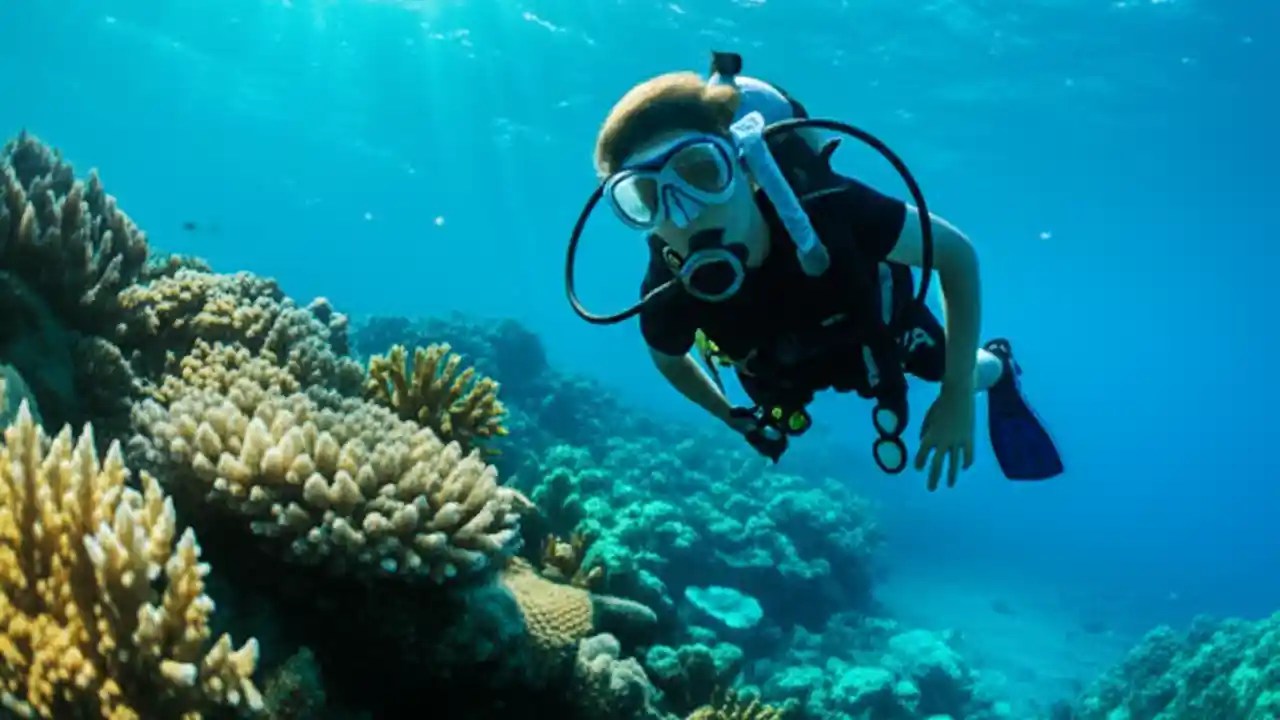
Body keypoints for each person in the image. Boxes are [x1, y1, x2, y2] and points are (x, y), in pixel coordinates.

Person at [564, 51, 1063, 490]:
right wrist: (731, 417)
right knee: (767, 397)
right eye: (647, 198)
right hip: (777, 369)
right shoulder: (668, 289)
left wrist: (957, 397)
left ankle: (997, 369)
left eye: (700, 172)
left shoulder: (832, 210)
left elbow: (957, 255)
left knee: (953, 368)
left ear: (744, 164)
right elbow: (670, 360)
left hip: (879, 331)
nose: (685, 213)